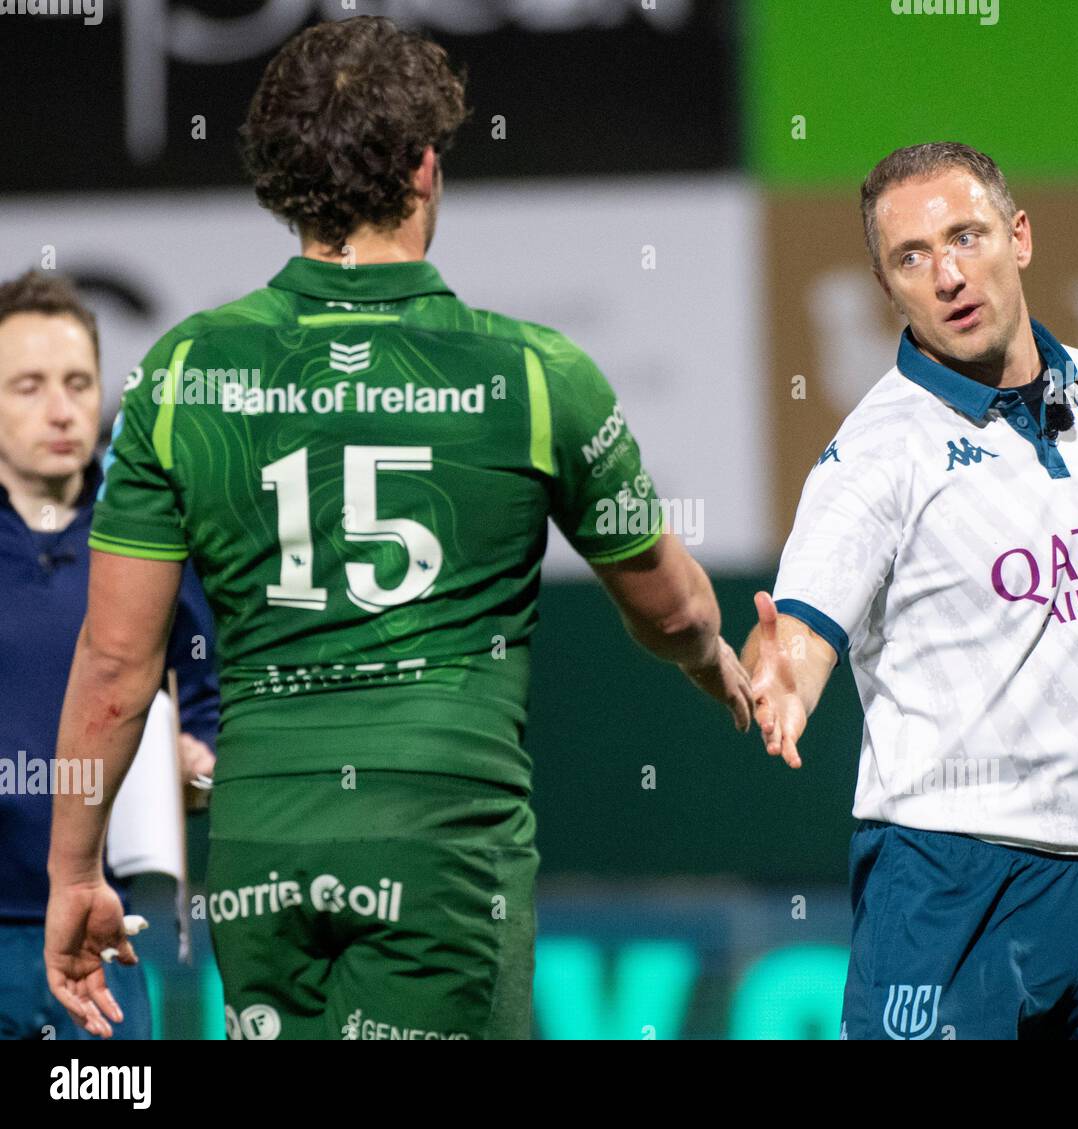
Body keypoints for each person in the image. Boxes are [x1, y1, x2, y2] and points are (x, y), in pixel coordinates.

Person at [45, 15, 751, 1041]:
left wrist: (74, 869)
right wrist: (710, 659)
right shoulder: (533, 375)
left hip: (261, 843)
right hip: (440, 844)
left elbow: (115, 666)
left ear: (280, 183)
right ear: (425, 168)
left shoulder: (183, 371)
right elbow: (672, 607)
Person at [743, 141, 1078, 1040]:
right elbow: (803, 633)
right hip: (948, 879)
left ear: (1018, 237)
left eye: (965, 236)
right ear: (884, 284)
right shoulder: (873, 459)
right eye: (911, 256)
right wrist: (781, 677)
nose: (946, 274)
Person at [0, 269, 218, 1040]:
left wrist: (196, 757)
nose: (61, 408)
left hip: (100, 938)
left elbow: (206, 700)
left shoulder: (147, 544)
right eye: (28, 385)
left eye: (78, 382)